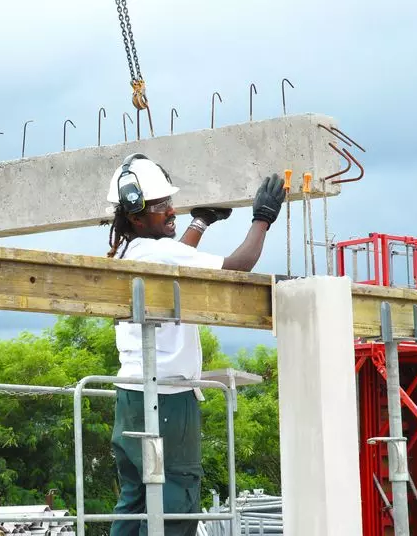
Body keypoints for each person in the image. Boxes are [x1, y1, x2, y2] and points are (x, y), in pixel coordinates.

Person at [105, 153, 285, 536]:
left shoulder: (130, 250)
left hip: (130, 397)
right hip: (168, 398)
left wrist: (200, 222)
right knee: (178, 496)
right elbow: (239, 265)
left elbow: (179, 260)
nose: (171, 210)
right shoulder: (157, 251)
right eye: (160, 207)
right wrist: (263, 219)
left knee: (136, 498)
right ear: (137, 217)